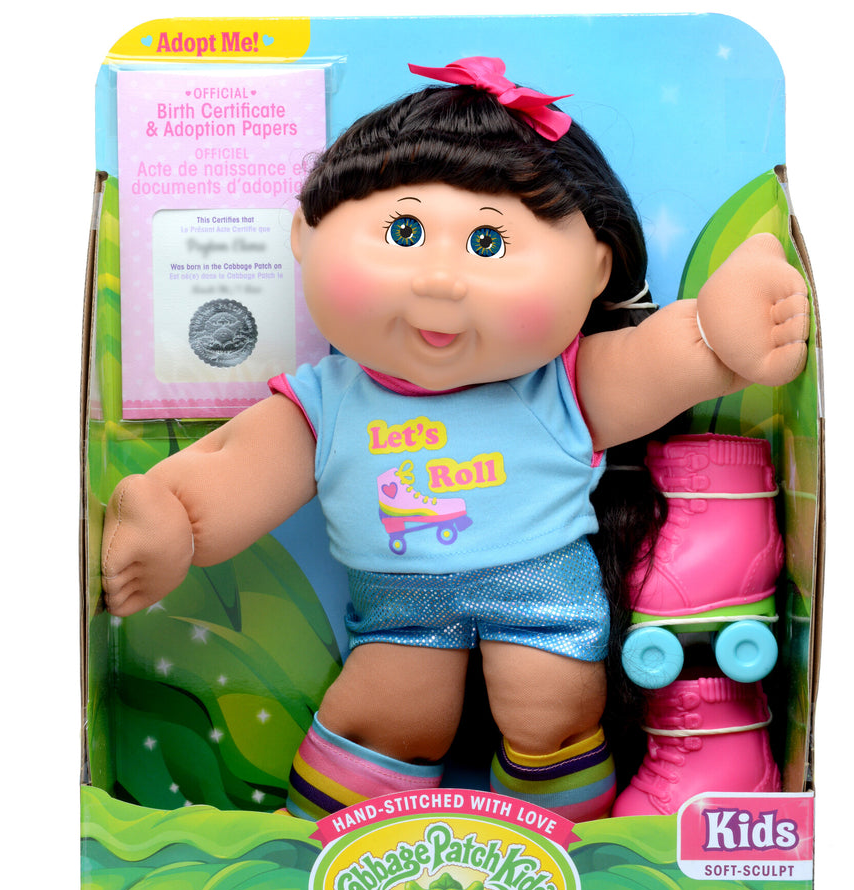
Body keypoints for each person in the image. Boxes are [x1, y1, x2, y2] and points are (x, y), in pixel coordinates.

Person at [101, 57, 809, 822]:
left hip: (546, 601)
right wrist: (174, 520)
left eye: (488, 242)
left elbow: (665, 357)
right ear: (306, 233)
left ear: (596, 267)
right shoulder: (329, 402)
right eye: (403, 232)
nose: (439, 279)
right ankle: (316, 848)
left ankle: (565, 846)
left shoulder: (563, 383)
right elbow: (237, 467)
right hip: (401, 614)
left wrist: (724, 327)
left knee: (551, 710)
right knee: (386, 714)